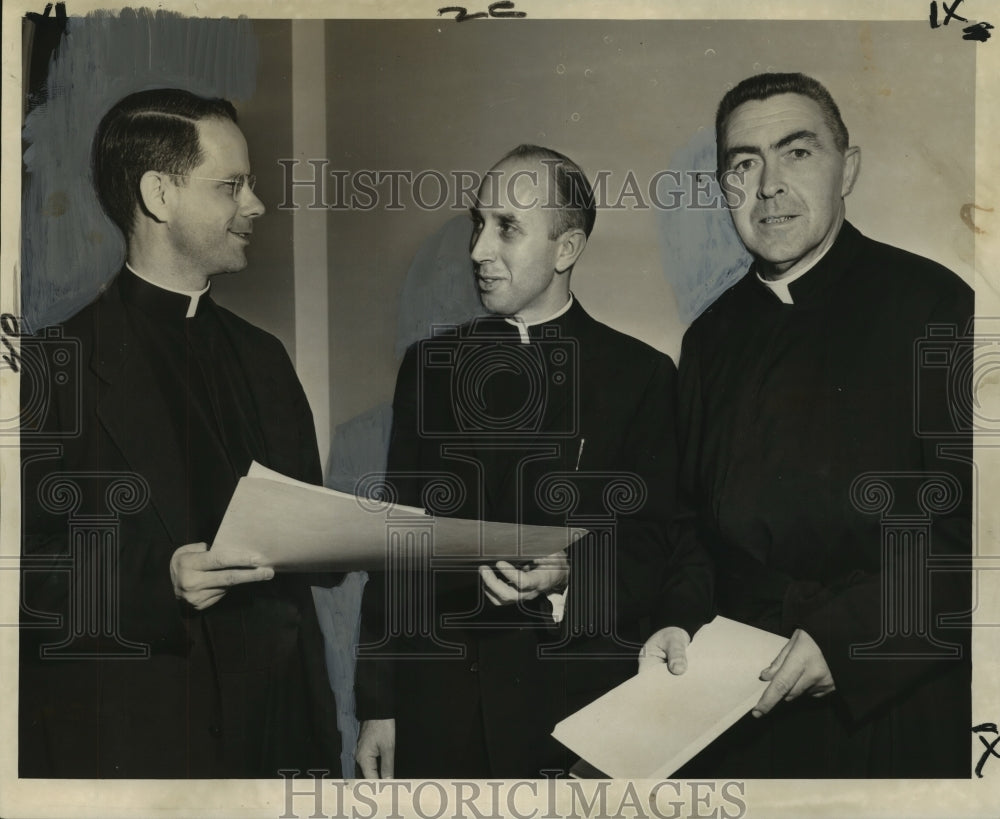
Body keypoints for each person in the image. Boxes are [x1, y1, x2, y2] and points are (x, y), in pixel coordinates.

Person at [354, 145, 713, 778]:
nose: (477, 250)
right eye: (479, 223)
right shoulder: (427, 369)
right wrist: (378, 705)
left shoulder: (641, 377)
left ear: (566, 250)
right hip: (438, 714)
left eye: (507, 229)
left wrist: (568, 576)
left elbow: (657, 541)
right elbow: (397, 545)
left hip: (572, 718)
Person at [653, 72, 972, 777]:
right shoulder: (708, 339)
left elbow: (976, 541)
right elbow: (690, 529)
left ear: (846, 168)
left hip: (889, 705)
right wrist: (675, 618)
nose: (767, 185)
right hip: (738, 714)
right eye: (743, 163)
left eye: (796, 153)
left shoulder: (936, 305)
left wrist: (846, 642)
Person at [19, 88, 341, 778]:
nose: (255, 206)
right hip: (131, 747)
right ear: (159, 196)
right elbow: (20, 572)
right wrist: (155, 581)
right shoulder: (50, 370)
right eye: (232, 186)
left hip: (274, 741)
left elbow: (304, 560)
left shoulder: (265, 358)